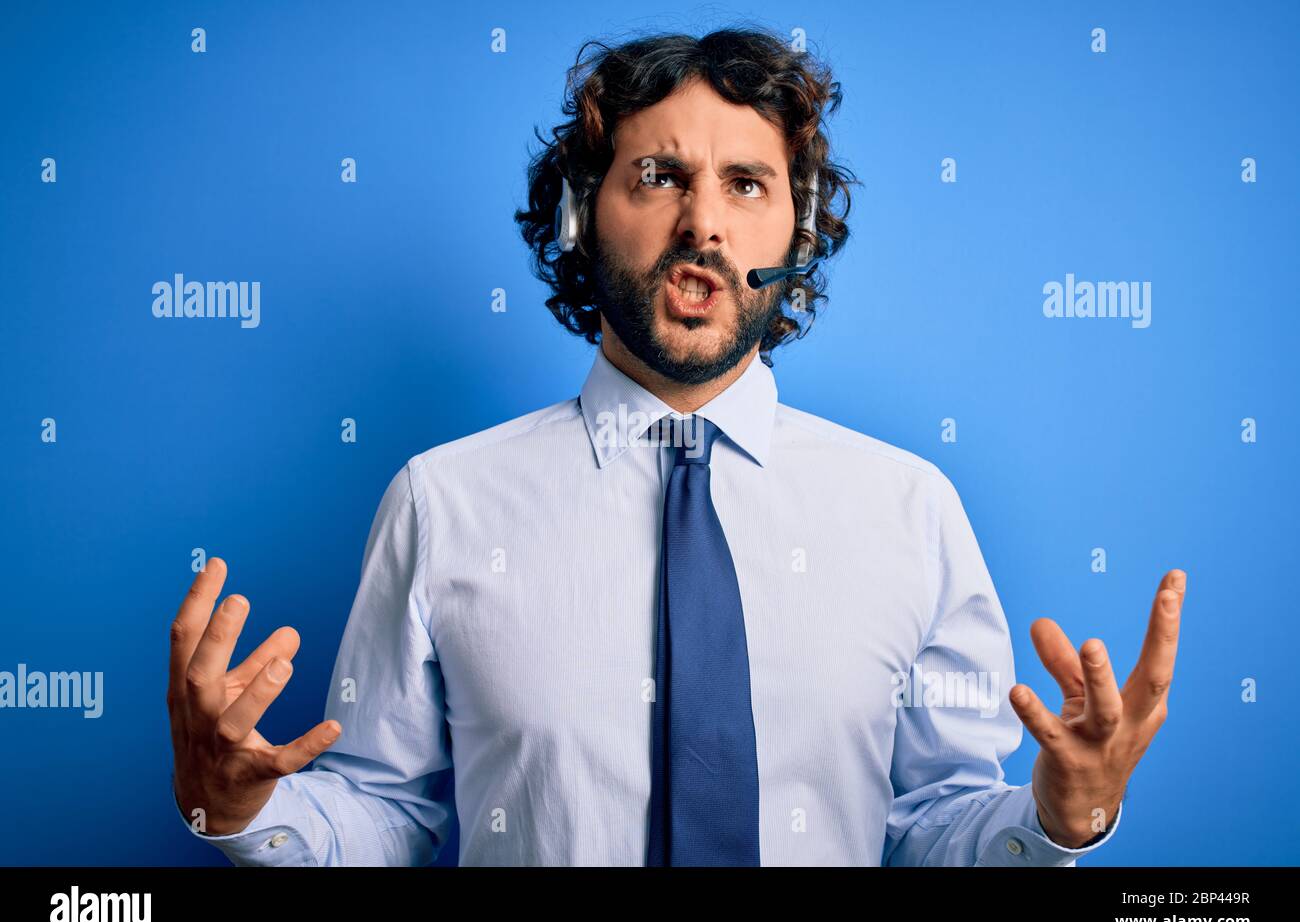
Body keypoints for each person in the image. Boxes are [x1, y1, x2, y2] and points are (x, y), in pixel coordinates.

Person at [168, 28, 1185, 866]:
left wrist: (1062, 816)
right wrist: (241, 810)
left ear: (796, 235)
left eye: (748, 185)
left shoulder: (910, 510)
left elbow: (936, 824)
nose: (704, 224)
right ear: (579, 212)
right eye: (658, 176)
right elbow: (387, 813)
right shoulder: (442, 503)